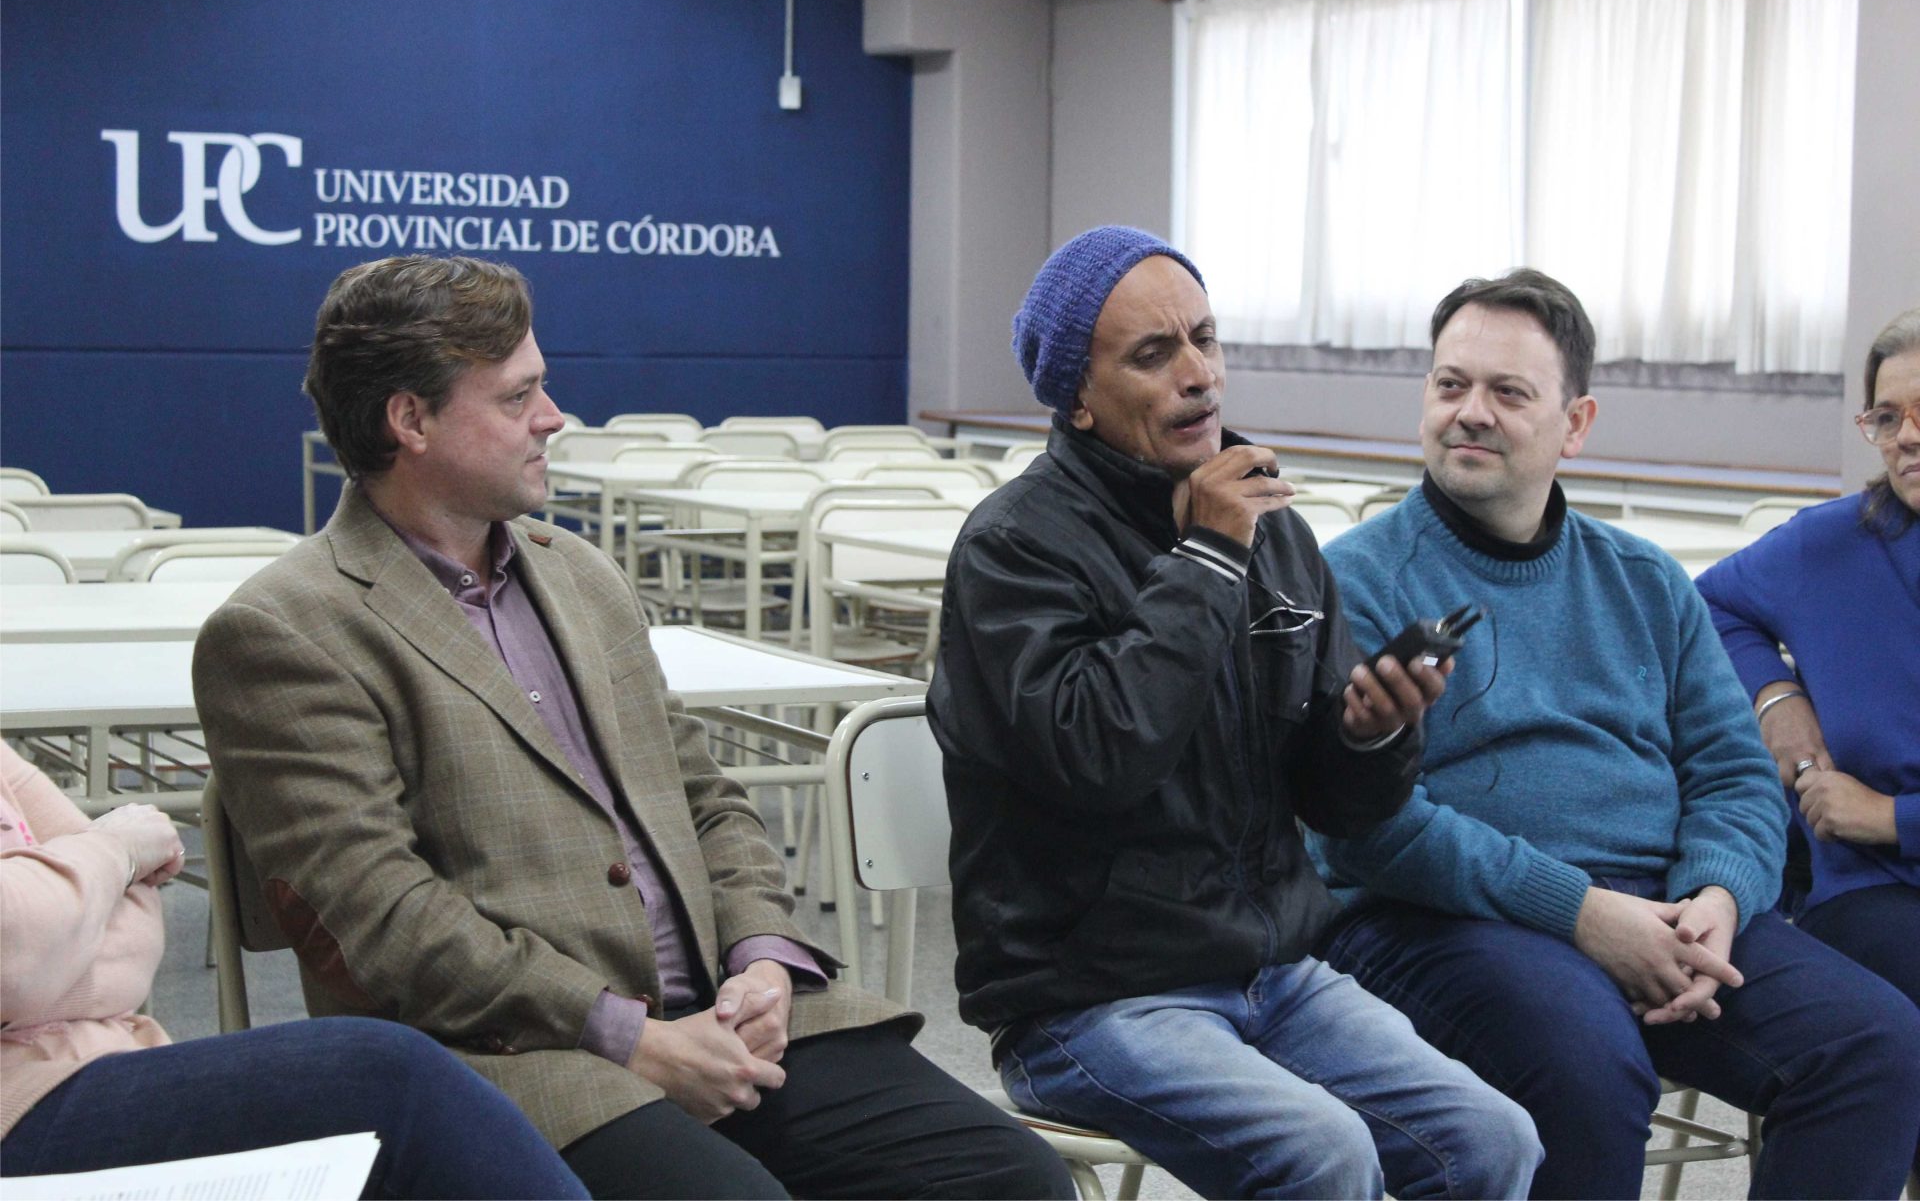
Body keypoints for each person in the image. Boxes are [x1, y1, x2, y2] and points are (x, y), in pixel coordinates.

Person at [190, 254, 1072, 1201]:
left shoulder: (579, 573)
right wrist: (630, 1037)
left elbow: (705, 798)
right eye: (519, 393)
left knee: (1009, 1178)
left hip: (719, 1014)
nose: (554, 416)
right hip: (505, 1058)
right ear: (409, 420)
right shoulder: (284, 630)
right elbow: (391, 925)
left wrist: (761, 957)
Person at [929, 225, 1543, 1200]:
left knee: (1492, 1138)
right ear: (1077, 399)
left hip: (1277, 971)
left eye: (1206, 338)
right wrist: (1210, 556)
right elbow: (1099, 755)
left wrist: (1374, 728)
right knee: (1323, 1152)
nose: (1198, 374)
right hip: (1090, 995)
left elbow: (1337, 807)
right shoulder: (1015, 547)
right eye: (1153, 353)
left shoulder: (1274, 527)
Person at [1314, 268, 1920, 1199]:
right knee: (1586, 1066)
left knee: (1876, 1046)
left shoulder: (1643, 581)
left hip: (1664, 905)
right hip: (1438, 918)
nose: (1469, 412)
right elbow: (1365, 827)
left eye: (1508, 392)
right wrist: (1584, 914)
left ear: (1577, 423)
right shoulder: (1355, 580)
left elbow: (1734, 778)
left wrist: (1718, 894)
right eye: (1449, 384)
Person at [0, 745, 588, 1197]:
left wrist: (54, 936)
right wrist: (118, 855)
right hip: (23, 1104)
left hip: (96, 1062)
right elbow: (13, 952)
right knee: (386, 1080)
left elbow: (136, 928)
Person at [1694, 305, 1920, 1179]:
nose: (1906, 437)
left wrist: (1888, 815)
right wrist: (1778, 701)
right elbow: (1710, 606)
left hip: (1883, 842)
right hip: (1868, 895)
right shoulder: (1831, 544)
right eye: (1887, 416)